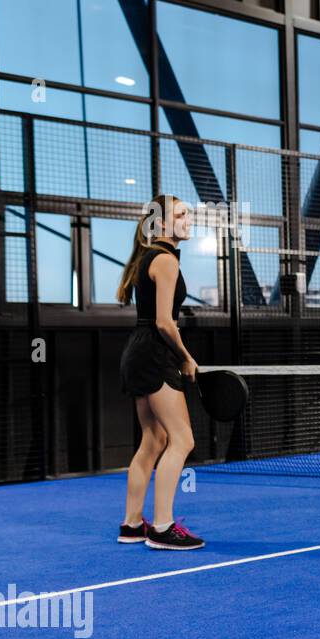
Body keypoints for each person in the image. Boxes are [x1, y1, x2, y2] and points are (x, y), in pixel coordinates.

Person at [116, 196, 205, 550]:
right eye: (182, 215)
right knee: (183, 439)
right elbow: (165, 322)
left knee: (153, 440)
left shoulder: (147, 257)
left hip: (137, 352)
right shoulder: (165, 260)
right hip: (154, 353)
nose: (189, 220)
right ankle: (163, 527)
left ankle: (133, 524)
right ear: (163, 224)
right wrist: (186, 357)